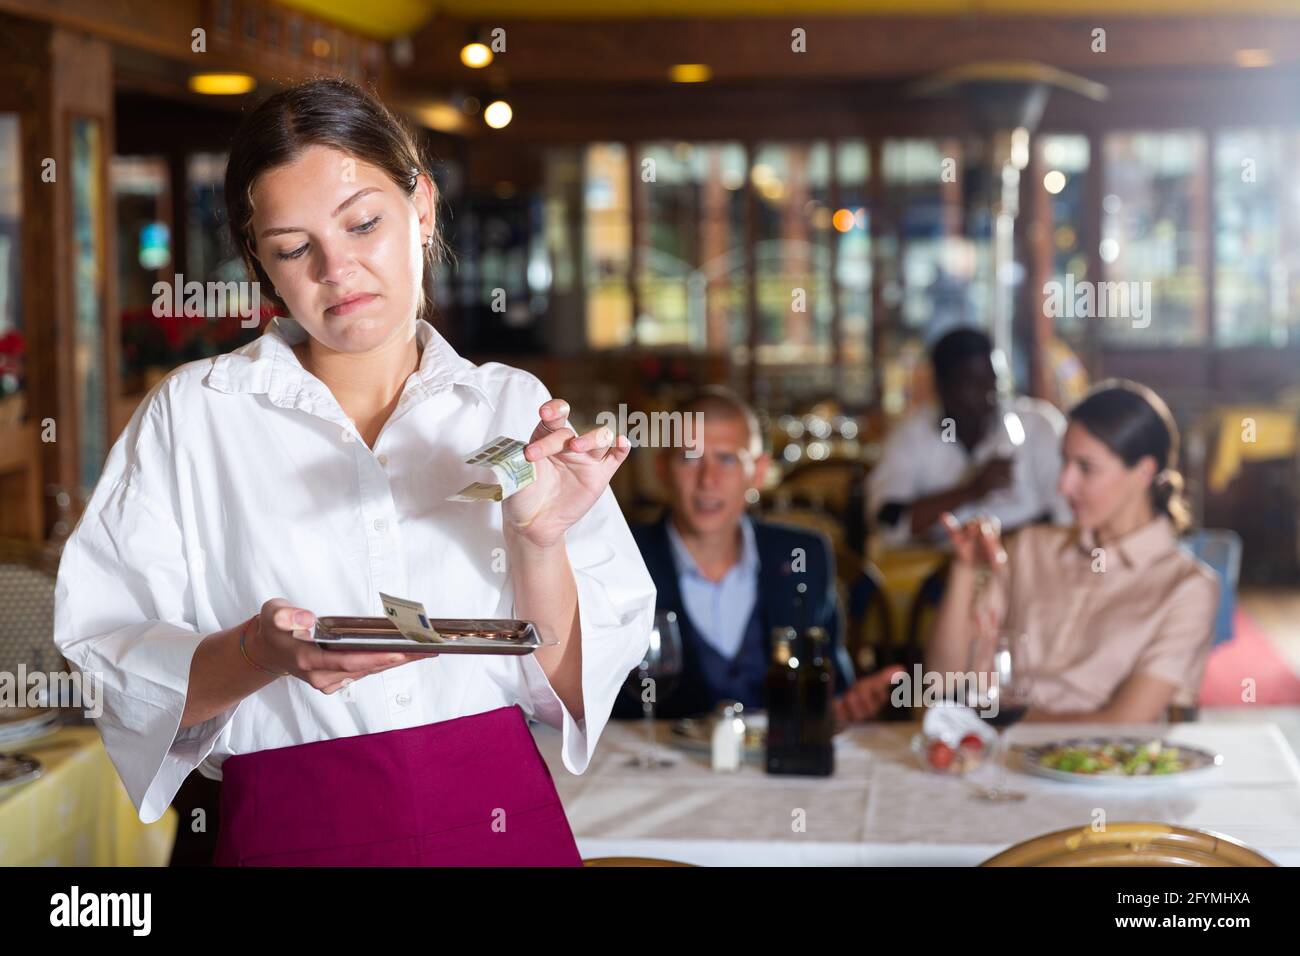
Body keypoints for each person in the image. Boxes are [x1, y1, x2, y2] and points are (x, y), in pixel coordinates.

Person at [53, 78, 656, 866]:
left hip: (497, 815)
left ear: (424, 208)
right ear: (262, 266)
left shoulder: (511, 407)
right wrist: (257, 654)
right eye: (295, 249)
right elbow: (110, 664)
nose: (338, 270)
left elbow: (573, 693)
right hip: (296, 825)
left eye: (363, 222)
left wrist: (539, 541)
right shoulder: (194, 415)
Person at [925, 380, 1219, 722]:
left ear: (1143, 472)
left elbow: (1121, 725)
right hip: (996, 759)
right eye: (1064, 463)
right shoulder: (1031, 548)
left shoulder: (1186, 588)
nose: (1063, 486)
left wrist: (1001, 722)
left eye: (1086, 468)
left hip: (1100, 769)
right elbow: (943, 682)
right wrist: (964, 569)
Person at [620, 387, 900, 725]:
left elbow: (831, 689)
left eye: (727, 459)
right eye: (689, 458)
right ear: (663, 469)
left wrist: (843, 707)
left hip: (775, 772)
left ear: (758, 471)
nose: (708, 480)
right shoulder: (622, 558)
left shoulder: (803, 556)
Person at [869, 327, 1071, 549]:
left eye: (991, 381)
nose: (988, 393)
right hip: (939, 568)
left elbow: (1064, 515)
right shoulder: (910, 436)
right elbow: (890, 524)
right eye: (972, 383)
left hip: (1024, 561)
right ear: (941, 387)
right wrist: (972, 489)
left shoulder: (1037, 426)